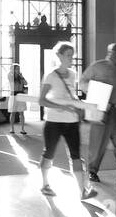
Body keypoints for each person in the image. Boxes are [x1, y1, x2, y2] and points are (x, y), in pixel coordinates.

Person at [38, 42, 97, 200]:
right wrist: (63, 107)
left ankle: (83, 191)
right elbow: (42, 101)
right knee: (49, 153)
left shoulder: (72, 74)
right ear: (59, 56)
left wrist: (78, 105)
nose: (72, 58)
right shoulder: (50, 75)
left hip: (71, 122)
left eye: (73, 55)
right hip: (53, 121)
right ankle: (45, 184)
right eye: (69, 55)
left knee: (76, 155)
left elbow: (71, 94)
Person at [79, 42, 116, 187]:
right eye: (115, 51)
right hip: (102, 110)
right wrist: (95, 92)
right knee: (98, 142)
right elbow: (82, 82)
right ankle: (92, 171)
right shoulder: (97, 66)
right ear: (109, 52)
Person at [8, 62, 28, 136]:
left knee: (21, 112)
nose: (18, 70)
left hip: (21, 95)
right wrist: (13, 72)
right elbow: (11, 80)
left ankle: (22, 129)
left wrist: (21, 76)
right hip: (13, 95)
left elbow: (26, 83)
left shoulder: (20, 77)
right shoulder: (10, 75)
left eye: (18, 69)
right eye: (16, 69)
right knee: (13, 112)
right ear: (13, 69)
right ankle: (12, 128)